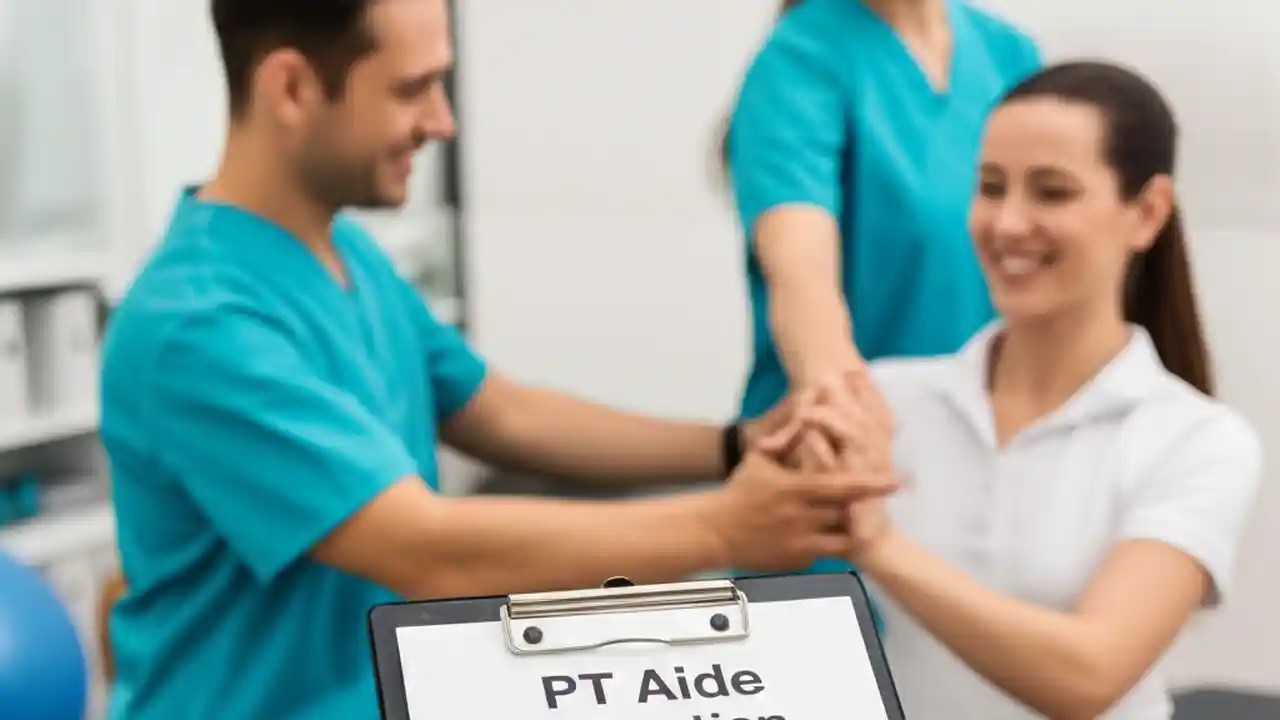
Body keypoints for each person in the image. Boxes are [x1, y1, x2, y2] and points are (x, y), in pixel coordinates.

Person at [97, 2, 894, 719]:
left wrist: (736, 445)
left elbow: (503, 413)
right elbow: (426, 550)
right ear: (293, 88)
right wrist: (727, 528)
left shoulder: (343, 258)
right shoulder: (201, 323)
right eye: (413, 89)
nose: (443, 122)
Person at [777, 61, 1262, 718]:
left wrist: (879, 547)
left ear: (1146, 213)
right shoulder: (891, 401)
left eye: (1052, 193)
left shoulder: (1197, 440)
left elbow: (1089, 675)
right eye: (990, 187)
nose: (1007, 224)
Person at [723, 0, 1043, 573]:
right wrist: (845, 421)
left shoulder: (1007, 54)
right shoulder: (802, 59)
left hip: (986, 482)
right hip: (843, 486)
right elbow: (799, 271)